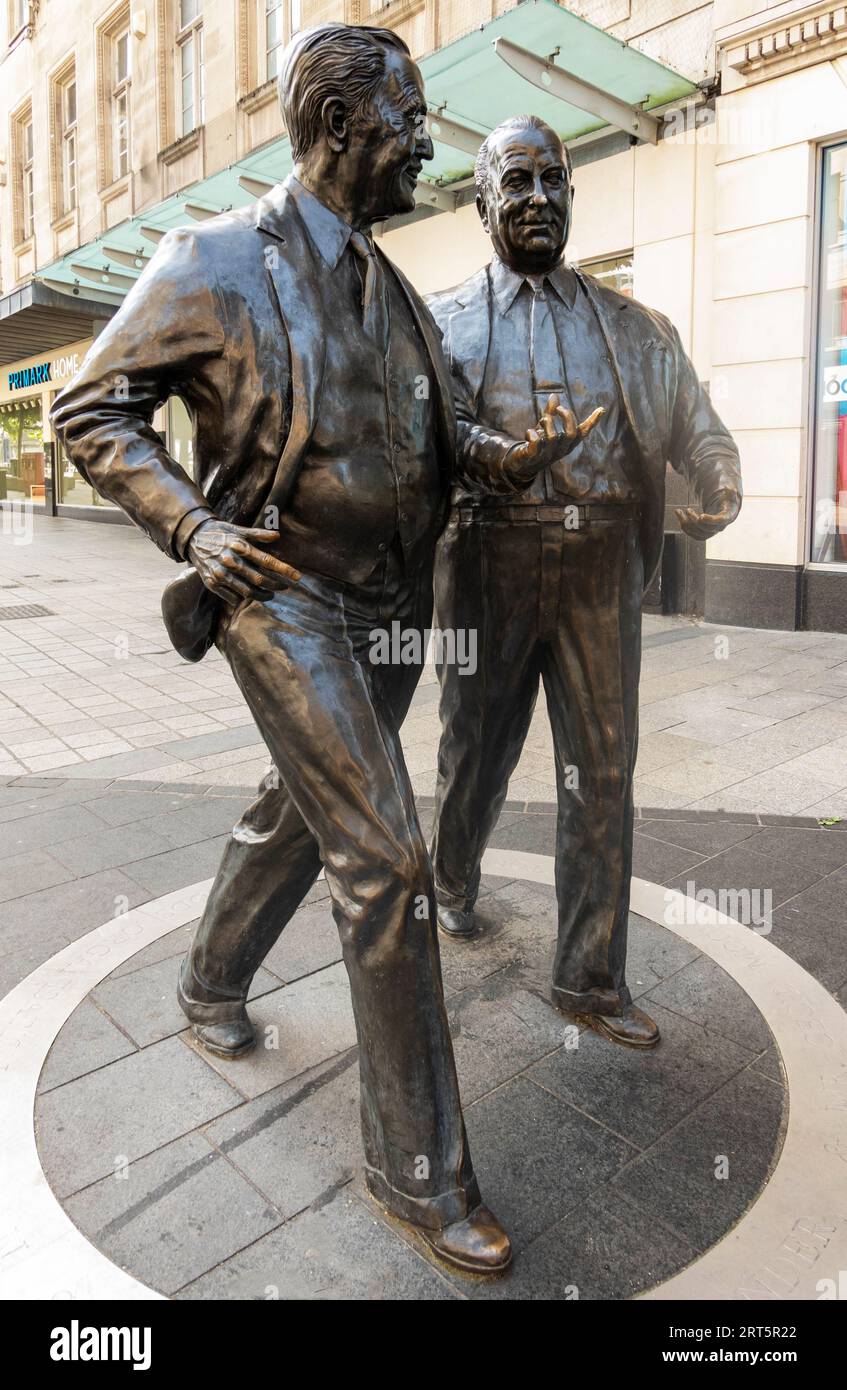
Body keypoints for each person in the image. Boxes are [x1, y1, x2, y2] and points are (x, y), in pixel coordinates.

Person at [51, 23, 512, 1276]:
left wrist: (498, 457)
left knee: (301, 813)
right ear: (340, 129)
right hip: (282, 596)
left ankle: (210, 982)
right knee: (386, 856)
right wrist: (191, 528)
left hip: (393, 604)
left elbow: (434, 430)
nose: (426, 144)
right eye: (409, 122)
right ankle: (420, 1173)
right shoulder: (212, 259)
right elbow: (88, 406)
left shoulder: (395, 284)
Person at [428, 115, 742, 1049]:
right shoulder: (441, 325)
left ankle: (589, 979)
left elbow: (697, 423)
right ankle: (450, 877)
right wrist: (497, 459)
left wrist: (720, 476)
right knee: (476, 750)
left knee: (602, 770)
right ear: (483, 202)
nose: (536, 199)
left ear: (571, 191)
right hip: (490, 558)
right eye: (515, 183)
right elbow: (425, 441)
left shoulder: (637, 329)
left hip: (602, 566)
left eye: (551, 180)